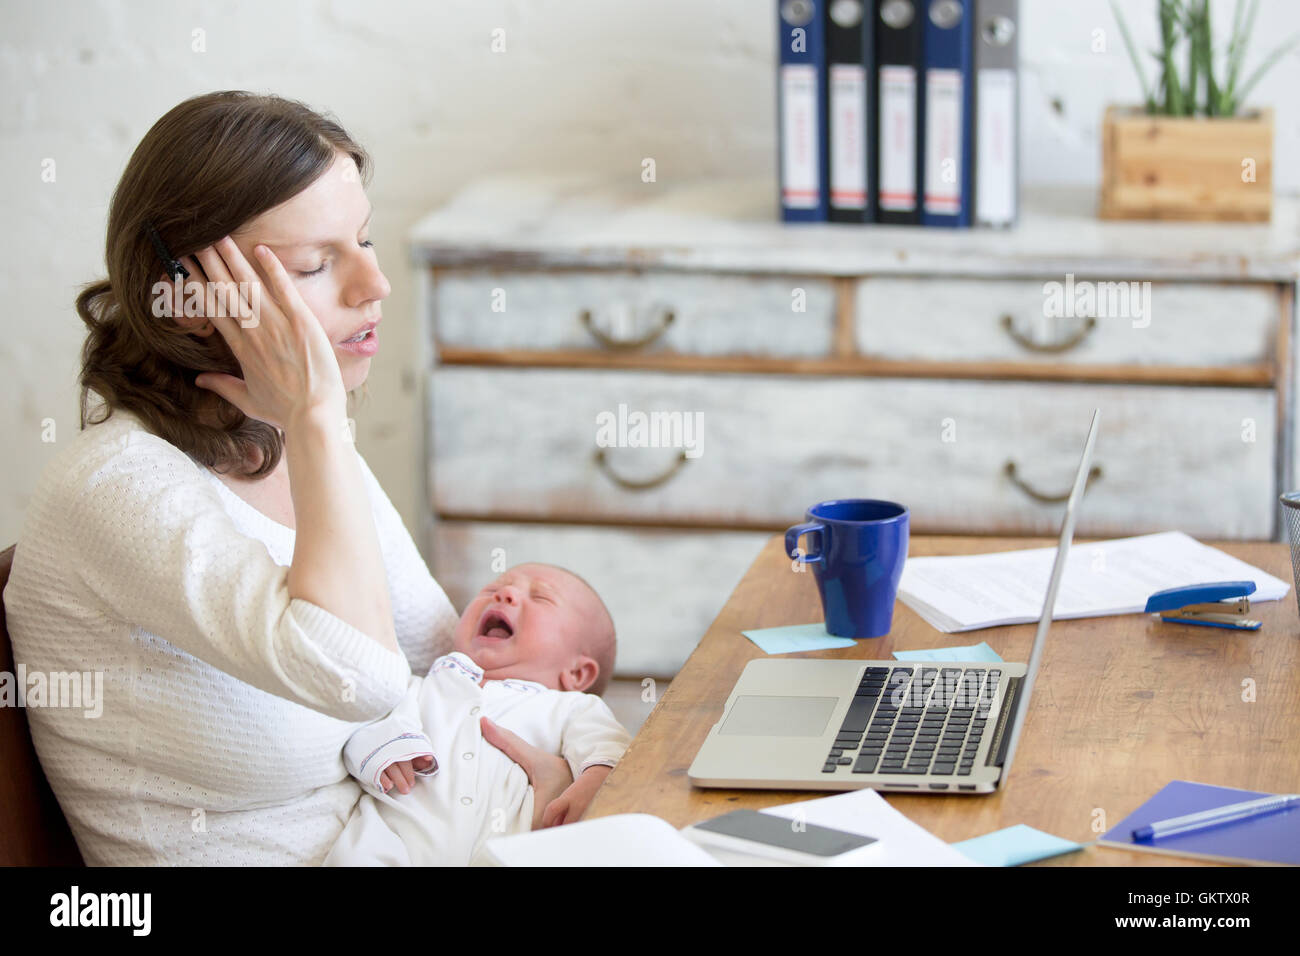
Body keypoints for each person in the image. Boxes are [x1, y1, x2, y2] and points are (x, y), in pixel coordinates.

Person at [4, 91, 576, 866]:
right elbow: (364, 679)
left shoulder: (286, 445)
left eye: (365, 240)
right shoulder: (116, 489)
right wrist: (316, 421)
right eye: (315, 264)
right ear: (189, 300)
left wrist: (561, 764)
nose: (374, 284)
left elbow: (443, 669)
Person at [325, 563, 630, 866]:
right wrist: (383, 752)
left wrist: (595, 781)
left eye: (541, 598)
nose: (506, 594)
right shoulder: (422, 688)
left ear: (576, 672)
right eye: (492, 590)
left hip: (507, 849)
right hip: (401, 843)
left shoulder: (570, 708)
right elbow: (364, 724)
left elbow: (610, 747)